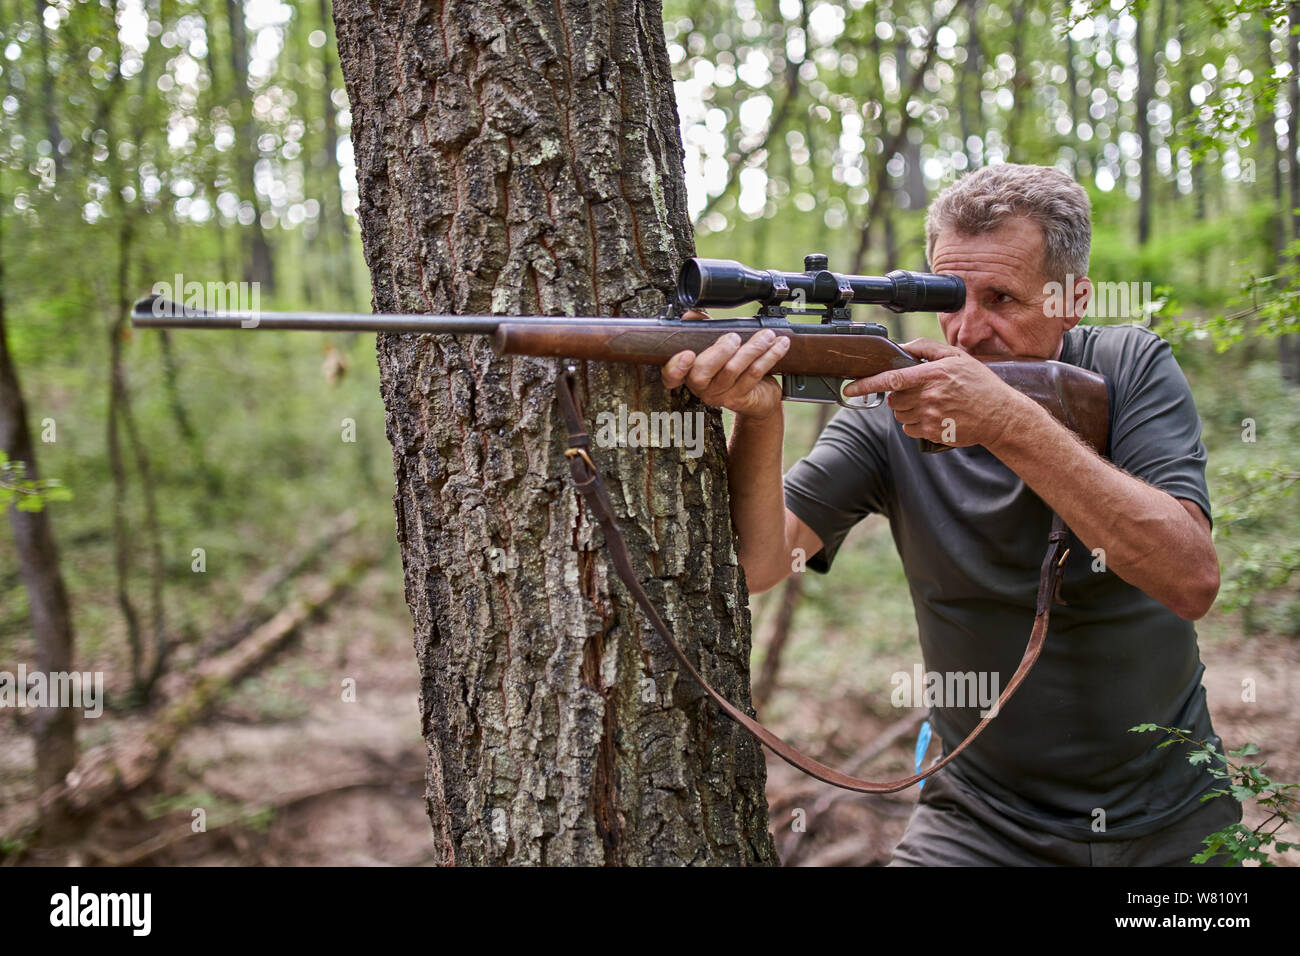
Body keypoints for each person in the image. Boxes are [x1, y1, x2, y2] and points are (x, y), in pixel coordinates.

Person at [661, 163, 1241, 866]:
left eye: (1002, 298)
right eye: (949, 296)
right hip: (977, 821)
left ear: (1074, 298)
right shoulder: (887, 408)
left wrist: (1006, 422)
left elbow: (1191, 579)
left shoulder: (1127, 367)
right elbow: (760, 563)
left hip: (1173, 818)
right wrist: (759, 419)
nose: (968, 331)